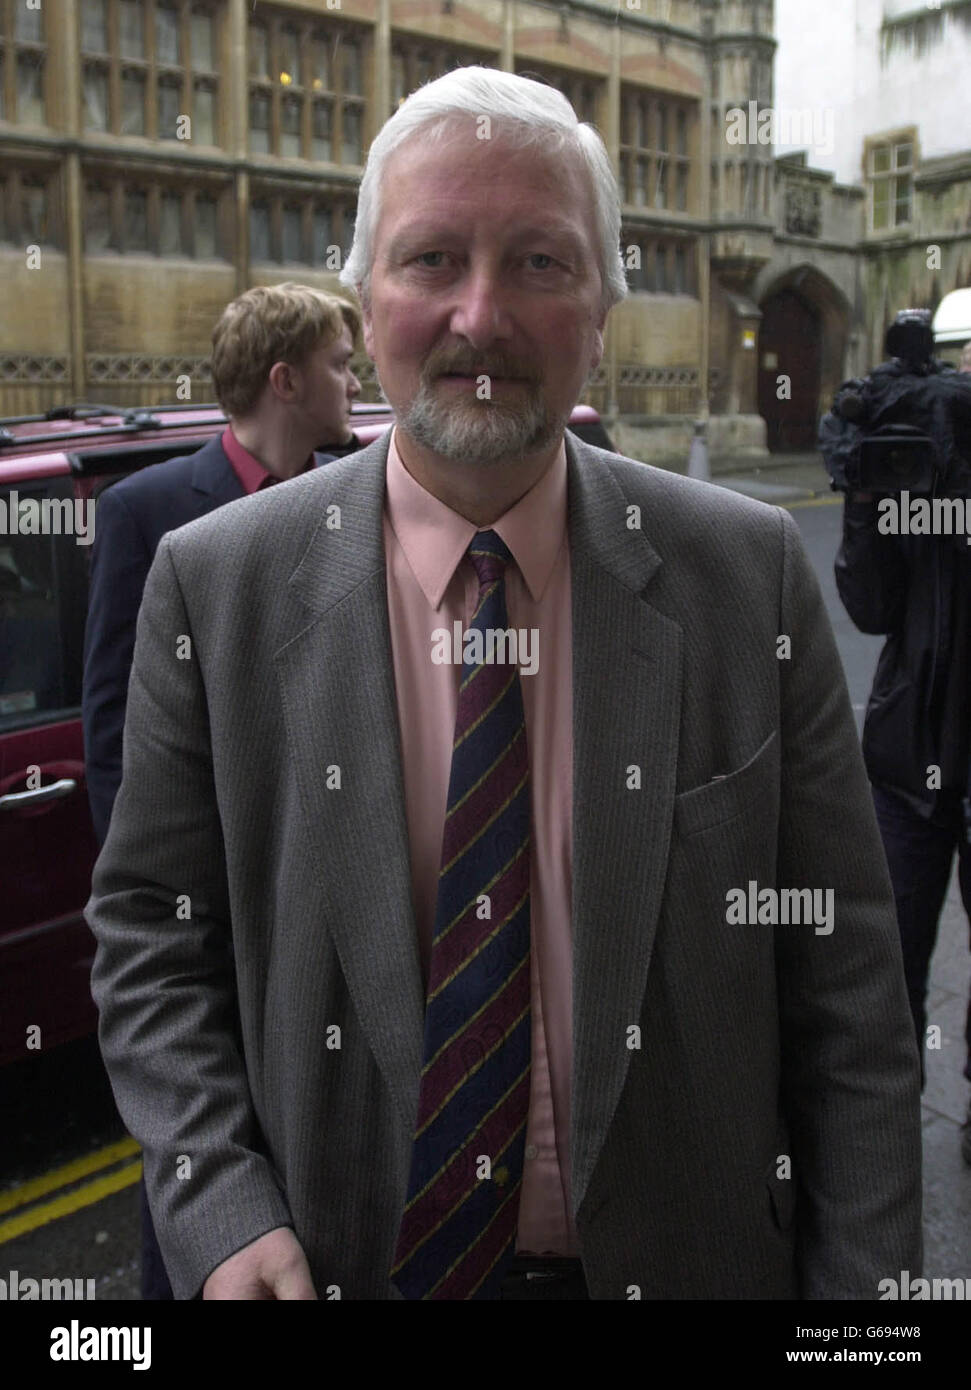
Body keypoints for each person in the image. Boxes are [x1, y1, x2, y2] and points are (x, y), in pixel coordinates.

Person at [86, 67, 921, 1301]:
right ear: (366, 299)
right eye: (431, 260)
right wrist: (218, 1204)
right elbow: (152, 939)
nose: (481, 317)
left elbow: (847, 991)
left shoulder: (745, 578)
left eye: (539, 262)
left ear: (602, 308)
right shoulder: (213, 585)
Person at [82, 281, 362, 1297]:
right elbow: (116, 739)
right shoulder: (148, 509)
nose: (355, 380)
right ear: (285, 379)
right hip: (214, 925)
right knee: (205, 1186)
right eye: (339, 362)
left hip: (329, 925)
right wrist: (188, 899)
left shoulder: (360, 501)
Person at [835, 382, 971, 1166]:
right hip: (905, 760)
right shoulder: (917, 465)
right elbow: (870, 605)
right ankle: (888, 1121)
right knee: (892, 953)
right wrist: (865, 488)